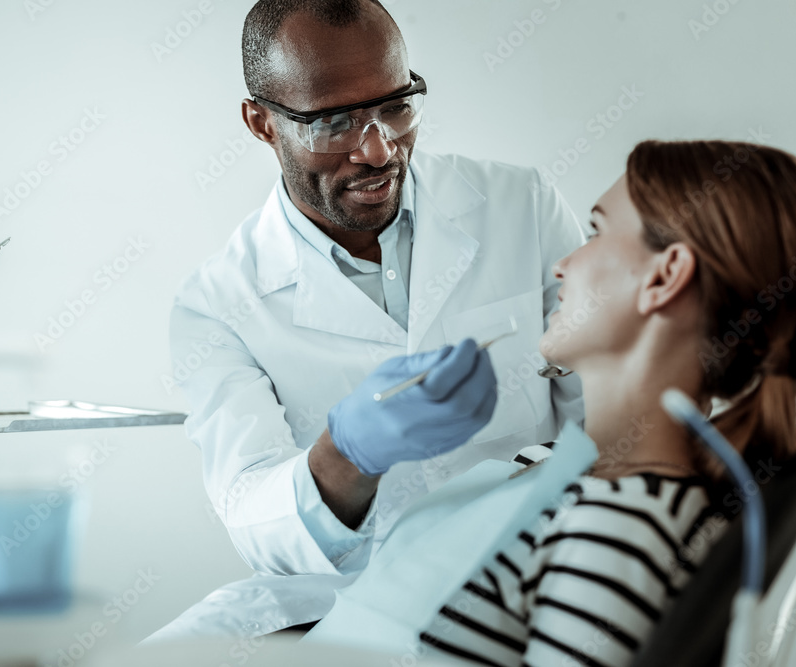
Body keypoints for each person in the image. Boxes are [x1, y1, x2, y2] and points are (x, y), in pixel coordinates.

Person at [305, 139, 796, 666]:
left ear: (664, 277)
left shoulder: (624, 520)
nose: (564, 265)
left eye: (597, 231)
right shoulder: (550, 465)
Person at [168, 0, 584, 602]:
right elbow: (252, 517)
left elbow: (614, 414)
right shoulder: (216, 305)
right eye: (334, 123)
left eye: (395, 107)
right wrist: (347, 455)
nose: (379, 150)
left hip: (542, 583)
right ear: (261, 122)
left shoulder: (522, 205)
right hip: (360, 616)